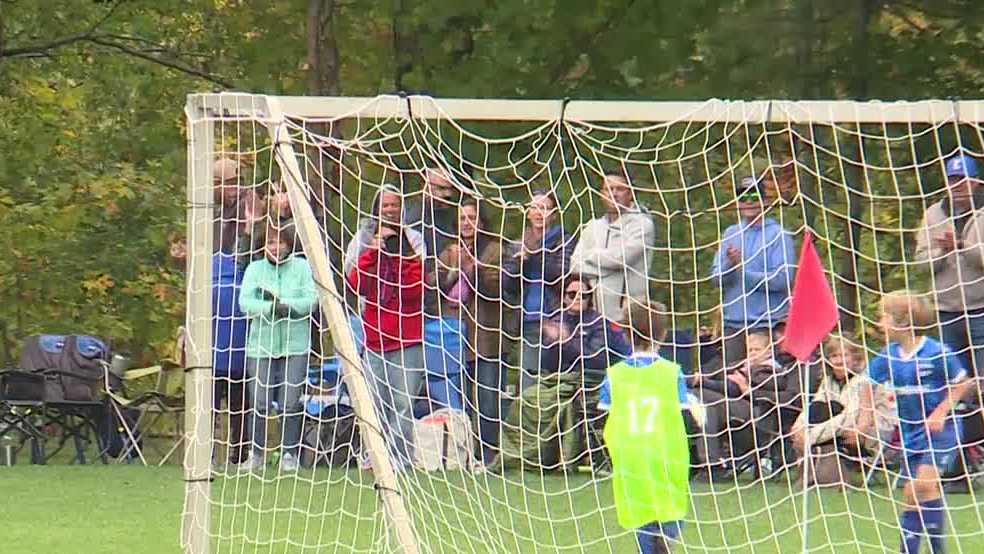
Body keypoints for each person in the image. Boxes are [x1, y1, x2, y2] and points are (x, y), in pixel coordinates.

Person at [859, 291, 975, 554]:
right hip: (911, 432)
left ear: (903, 321)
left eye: (884, 317)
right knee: (914, 494)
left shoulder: (937, 352)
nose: (879, 323)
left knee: (922, 485)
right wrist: (865, 417)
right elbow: (867, 382)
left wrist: (940, 412)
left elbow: (962, 383)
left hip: (942, 429)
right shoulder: (889, 355)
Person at [345, 185, 426, 468]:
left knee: (403, 403)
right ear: (376, 209)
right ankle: (375, 454)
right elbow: (356, 285)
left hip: (407, 339)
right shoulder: (365, 239)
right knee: (375, 402)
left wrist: (401, 253)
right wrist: (373, 252)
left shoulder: (413, 240)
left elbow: (415, 291)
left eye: (394, 205)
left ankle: (400, 458)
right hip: (375, 338)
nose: (390, 210)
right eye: (385, 205)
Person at [601, 300, 689, 554]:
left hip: (630, 455)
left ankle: (650, 547)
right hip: (666, 453)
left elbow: (605, 411)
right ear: (664, 333)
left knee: (640, 511)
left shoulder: (614, 374)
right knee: (670, 505)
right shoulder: (672, 372)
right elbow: (682, 410)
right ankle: (666, 538)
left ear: (626, 334)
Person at [435, 198, 516, 462]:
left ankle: (489, 454)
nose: (466, 223)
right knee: (461, 398)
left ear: (481, 221)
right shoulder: (450, 251)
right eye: (462, 218)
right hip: (455, 336)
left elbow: (497, 289)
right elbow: (432, 285)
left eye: (471, 218)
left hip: (487, 338)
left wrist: (471, 269)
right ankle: (464, 452)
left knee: (487, 398)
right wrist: (452, 270)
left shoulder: (495, 250)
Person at [238, 224, 318, 472]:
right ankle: (255, 454)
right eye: (270, 242)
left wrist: (287, 305)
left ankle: (289, 454)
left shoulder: (302, 267)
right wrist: (269, 307)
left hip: (295, 345)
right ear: (262, 246)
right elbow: (245, 303)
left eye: (280, 242)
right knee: (259, 402)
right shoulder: (254, 269)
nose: (275, 247)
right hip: (261, 346)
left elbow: (312, 300)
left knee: (290, 402)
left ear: (289, 244)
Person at [693, 332, 808, 481]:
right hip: (736, 409)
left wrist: (746, 389)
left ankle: (712, 464)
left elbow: (735, 388)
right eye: (750, 350)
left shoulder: (772, 371)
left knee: (702, 396)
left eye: (757, 349)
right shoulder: (745, 366)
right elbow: (729, 385)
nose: (752, 353)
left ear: (768, 351)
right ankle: (710, 464)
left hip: (757, 414)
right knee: (706, 407)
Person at [710, 175, 796, 370]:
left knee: (764, 381)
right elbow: (716, 279)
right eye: (743, 197)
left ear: (764, 200)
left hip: (766, 326)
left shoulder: (779, 235)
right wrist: (730, 264)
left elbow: (782, 280)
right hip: (733, 326)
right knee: (731, 381)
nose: (749, 202)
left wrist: (743, 269)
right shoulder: (730, 233)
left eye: (754, 196)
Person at [789, 335, 895, 481]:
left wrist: (810, 436)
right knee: (821, 409)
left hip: (870, 431)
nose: (839, 360)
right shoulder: (829, 381)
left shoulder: (863, 380)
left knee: (835, 413)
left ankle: (822, 469)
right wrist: (798, 428)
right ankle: (820, 470)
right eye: (834, 356)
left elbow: (850, 417)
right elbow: (814, 406)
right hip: (840, 429)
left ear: (855, 358)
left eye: (845, 355)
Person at [502, 189, 577, 391]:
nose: (538, 213)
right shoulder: (517, 244)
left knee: (557, 383)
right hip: (529, 322)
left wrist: (534, 256)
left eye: (544, 208)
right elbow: (508, 286)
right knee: (529, 385)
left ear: (554, 214)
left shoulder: (564, 240)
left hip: (558, 319)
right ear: (527, 213)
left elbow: (562, 276)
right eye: (534, 207)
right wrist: (521, 264)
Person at [570, 171, 656, 322]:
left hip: (627, 315)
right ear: (601, 194)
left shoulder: (642, 225)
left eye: (620, 189)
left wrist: (591, 255)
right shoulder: (592, 226)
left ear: (630, 194)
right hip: (591, 315)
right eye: (608, 189)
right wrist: (610, 268)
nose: (614, 194)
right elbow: (575, 265)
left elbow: (620, 259)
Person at [211, 250, 249, 470]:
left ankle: (207, 454)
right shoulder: (246, 279)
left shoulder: (206, 284)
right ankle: (239, 456)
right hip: (241, 355)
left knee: (211, 408)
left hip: (212, 357)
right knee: (240, 409)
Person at [404, 167, 460, 256]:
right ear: (425, 187)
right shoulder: (413, 216)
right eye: (441, 188)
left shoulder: (451, 212)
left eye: (450, 189)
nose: (448, 194)